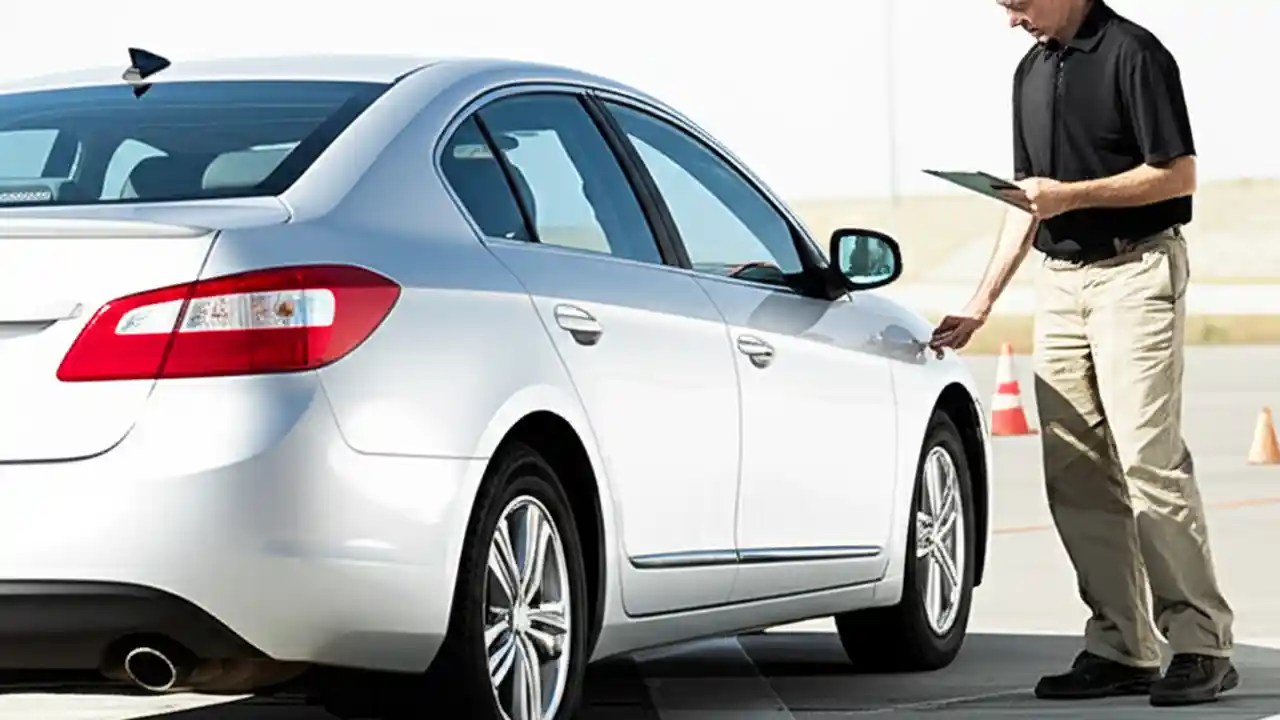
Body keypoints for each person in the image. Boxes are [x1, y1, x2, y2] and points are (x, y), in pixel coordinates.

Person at [929, 0, 1237, 707]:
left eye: (1019, 3)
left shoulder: (1136, 53)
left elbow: (1178, 174)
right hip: (1059, 284)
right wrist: (981, 303)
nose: (1012, 20)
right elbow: (1027, 204)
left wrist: (1072, 195)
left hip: (1137, 273)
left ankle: (1201, 644)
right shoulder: (1029, 74)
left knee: (1146, 462)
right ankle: (1122, 646)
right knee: (1074, 470)